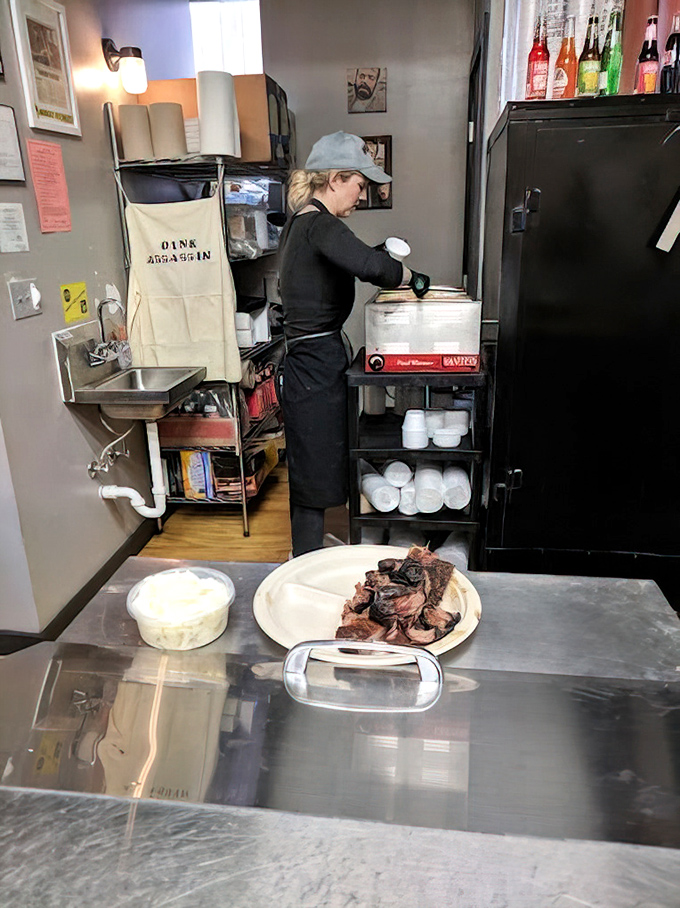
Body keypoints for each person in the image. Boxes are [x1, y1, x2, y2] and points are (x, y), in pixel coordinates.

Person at [278, 131, 430, 557]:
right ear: (335, 179)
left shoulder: (302, 222)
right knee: (312, 473)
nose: (362, 196)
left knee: (318, 460)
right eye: (359, 185)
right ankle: (304, 563)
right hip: (314, 364)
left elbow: (347, 262)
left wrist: (379, 256)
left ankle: (318, 553)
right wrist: (412, 278)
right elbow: (370, 267)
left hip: (313, 359)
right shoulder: (319, 224)